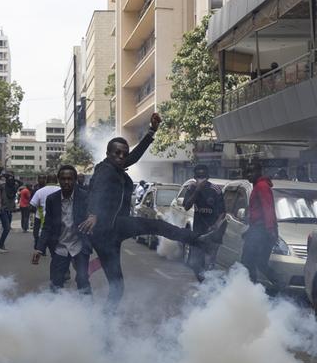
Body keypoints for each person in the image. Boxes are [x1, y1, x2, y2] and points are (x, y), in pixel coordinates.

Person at [79, 113, 223, 311]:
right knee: (153, 228)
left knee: (118, 286)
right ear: (108, 154)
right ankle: (200, 241)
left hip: (115, 229)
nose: (121, 157)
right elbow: (97, 188)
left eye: (124, 153)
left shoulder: (118, 167)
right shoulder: (105, 170)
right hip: (105, 229)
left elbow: (134, 156)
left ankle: (104, 321)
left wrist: (152, 132)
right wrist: (93, 213)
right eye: (117, 153)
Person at [32, 165, 92, 294]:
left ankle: (88, 309)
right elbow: (47, 225)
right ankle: (56, 310)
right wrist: (39, 248)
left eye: (70, 179)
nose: (66, 182)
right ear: (58, 180)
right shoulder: (52, 199)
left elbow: (94, 214)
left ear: (75, 180)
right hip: (60, 246)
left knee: (83, 281)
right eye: (63, 179)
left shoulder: (84, 196)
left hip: (79, 246)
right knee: (55, 283)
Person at [183, 164, 226, 283]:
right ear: (194, 177)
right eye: (198, 176)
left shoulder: (215, 190)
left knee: (209, 264)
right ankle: (202, 284)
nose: (201, 178)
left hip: (212, 234)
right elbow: (187, 206)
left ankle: (209, 290)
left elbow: (222, 212)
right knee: (195, 263)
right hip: (198, 233)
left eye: (203, 176)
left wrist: (216, 225)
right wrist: (197, 190)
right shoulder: (191, 189)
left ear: (207, 176)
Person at [241, 161, 279, 288]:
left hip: (261, 230)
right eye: (247, 172)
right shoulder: (258, 186)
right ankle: (278, 286)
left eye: (252, 171)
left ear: (259, 172)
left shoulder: (262, 186)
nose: (249, 174)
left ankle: (252, 291)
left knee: (248, 262)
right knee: (258, 263)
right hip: (258, 229)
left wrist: (270, 230)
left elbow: (267, 209)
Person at [30, 177, 60, 253]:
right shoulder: (60, 190)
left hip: (40, 216)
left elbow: (33, 204)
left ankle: (39, 247)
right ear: (56, 181)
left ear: (47, 181)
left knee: (37, 232)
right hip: (56, 217)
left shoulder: (39, 191)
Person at [0, 171, 17, 253]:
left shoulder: (15, 186)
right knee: (6, 229)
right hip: (3, 210)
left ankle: (2, 245)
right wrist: (1, 176)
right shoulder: (3, 186)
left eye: (12, 179)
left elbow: (21, 182)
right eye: (9, 179)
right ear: (7, 180)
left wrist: (12, 177)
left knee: (6, 229)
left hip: (10, 211)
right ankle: (0, 246)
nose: (10, 181)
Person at [31, 174, 47, 247]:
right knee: (36, 231)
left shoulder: (47, 188)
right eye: (40, 178)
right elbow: (32, 200)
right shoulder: (35, 189)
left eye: (43, 178)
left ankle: (42, 247)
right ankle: (37, 241)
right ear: (38, 180)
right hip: (38, 212)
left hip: (47, 213)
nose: (42, 180)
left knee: (44, 230)